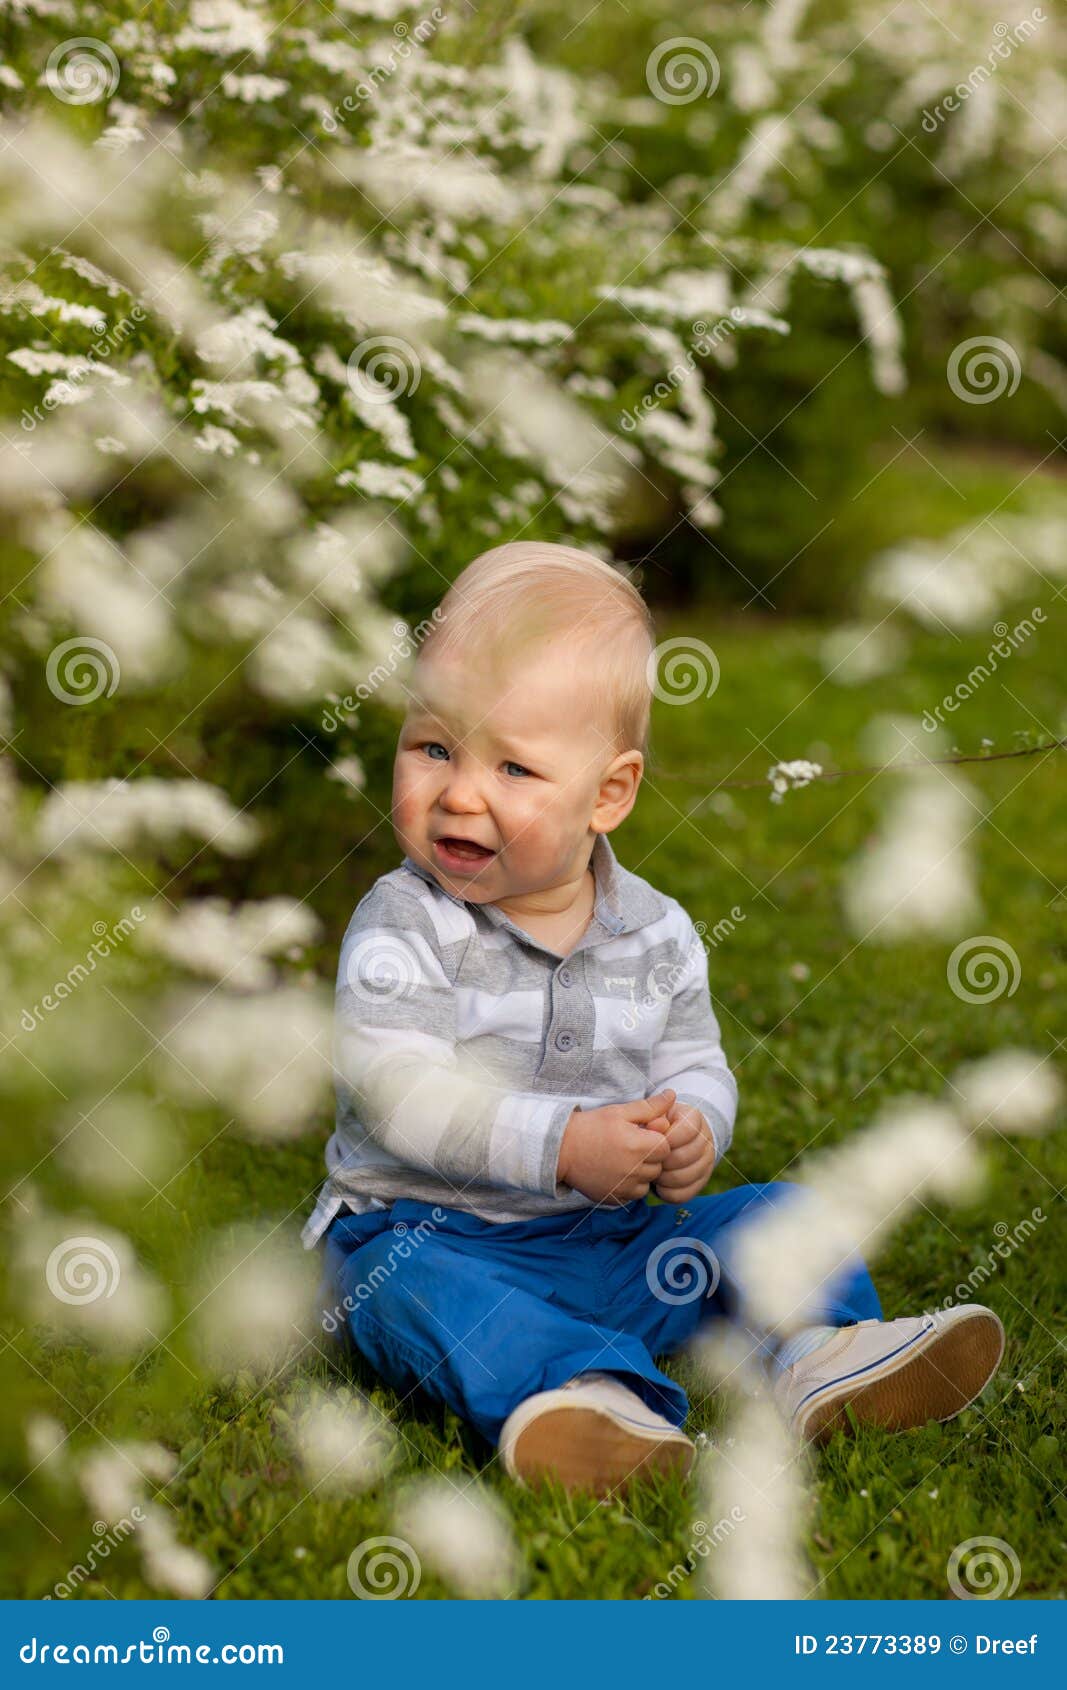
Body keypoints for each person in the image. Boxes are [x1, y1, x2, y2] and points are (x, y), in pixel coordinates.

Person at [304, 540, 1004, 1495]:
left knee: (775, 1213)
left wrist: (693, 1127)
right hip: (435, 1236)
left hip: (616, 1245)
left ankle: (819, 1352)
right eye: (433, 747)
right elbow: (398, 1095)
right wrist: (563, 1145)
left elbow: (695, 1061)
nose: (459, 793)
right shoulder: (404, 922)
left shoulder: (656, 931)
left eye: (513, 767)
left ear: (608, 793)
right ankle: (583, 1396)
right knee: (405, 1294)